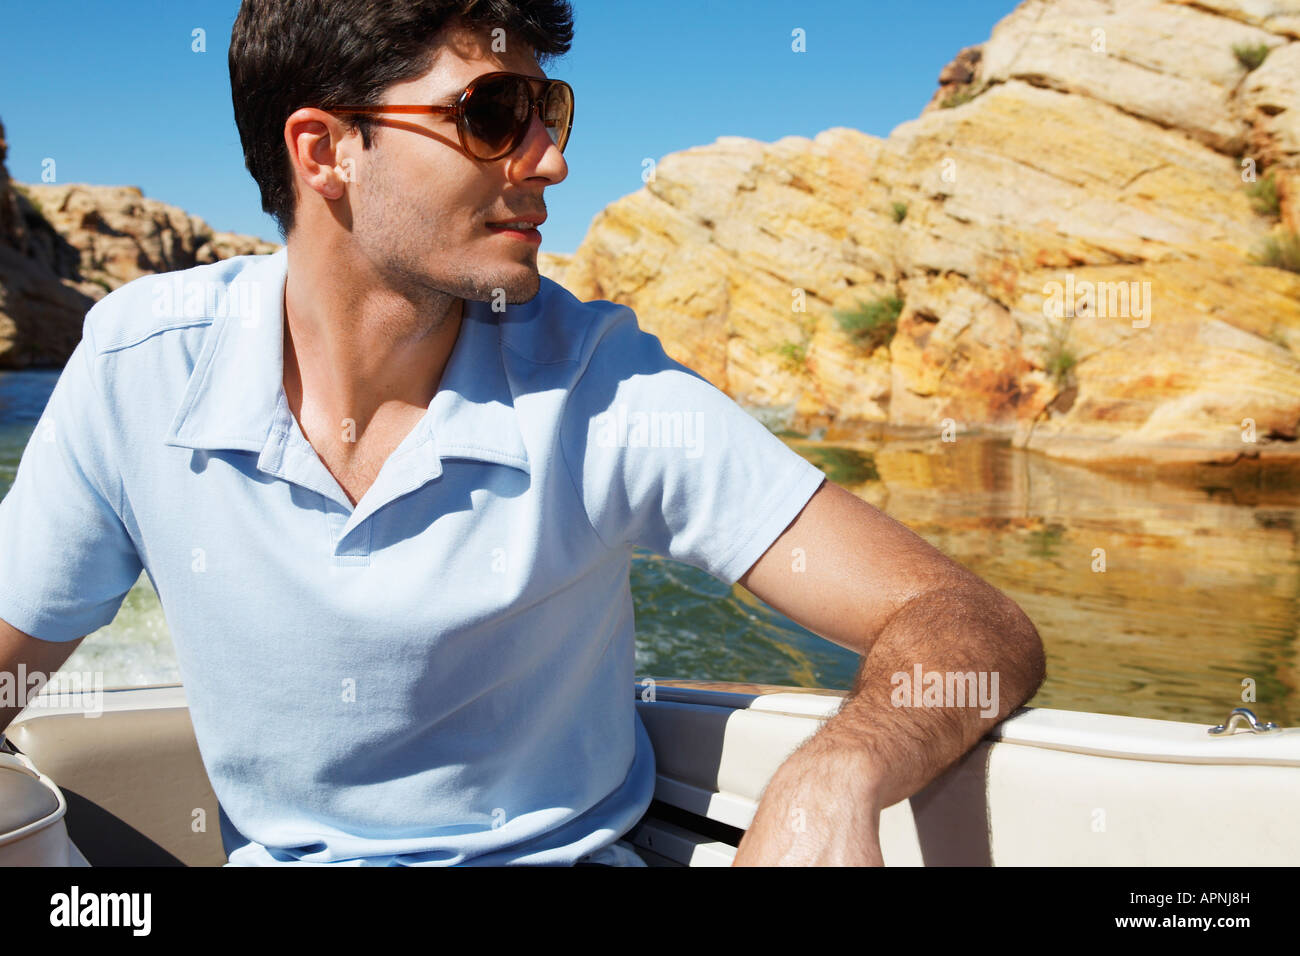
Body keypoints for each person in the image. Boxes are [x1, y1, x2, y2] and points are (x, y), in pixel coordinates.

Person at [0, 0, 1045, 866]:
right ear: (325, 150)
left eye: (550, 111)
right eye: (494, 114)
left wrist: (839, 767)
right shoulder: (143, 368)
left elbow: (965, 621)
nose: (547, 160)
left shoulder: (600, 386)